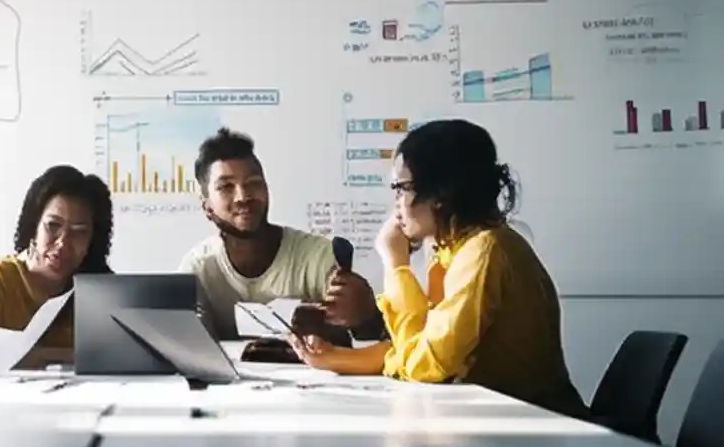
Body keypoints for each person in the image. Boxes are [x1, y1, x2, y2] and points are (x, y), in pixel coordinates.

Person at [314, 119, 588, 418]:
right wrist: (335, 358)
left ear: (441, 194)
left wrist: (396, 264)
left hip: (533, 426)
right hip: (496, 420)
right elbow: (416, 348)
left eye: (401, 188)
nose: (396, 204)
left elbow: (428, 365)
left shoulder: (484, 252)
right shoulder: (454, 252)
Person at [179, 128, 387, 372]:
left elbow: (369, 339)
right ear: (207, 207)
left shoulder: (317, 256)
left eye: (253, 183)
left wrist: (366, 317)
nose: (243, 196)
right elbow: (186, 349)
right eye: (226, 187)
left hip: (314, 397)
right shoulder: (199, 268)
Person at [0, 165, 114, 367]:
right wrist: (69, 356)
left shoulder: (102, 289)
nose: (63, 242)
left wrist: (39, 355)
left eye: (79, 231)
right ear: (34, 226)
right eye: (53, 226)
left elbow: (114, 359)